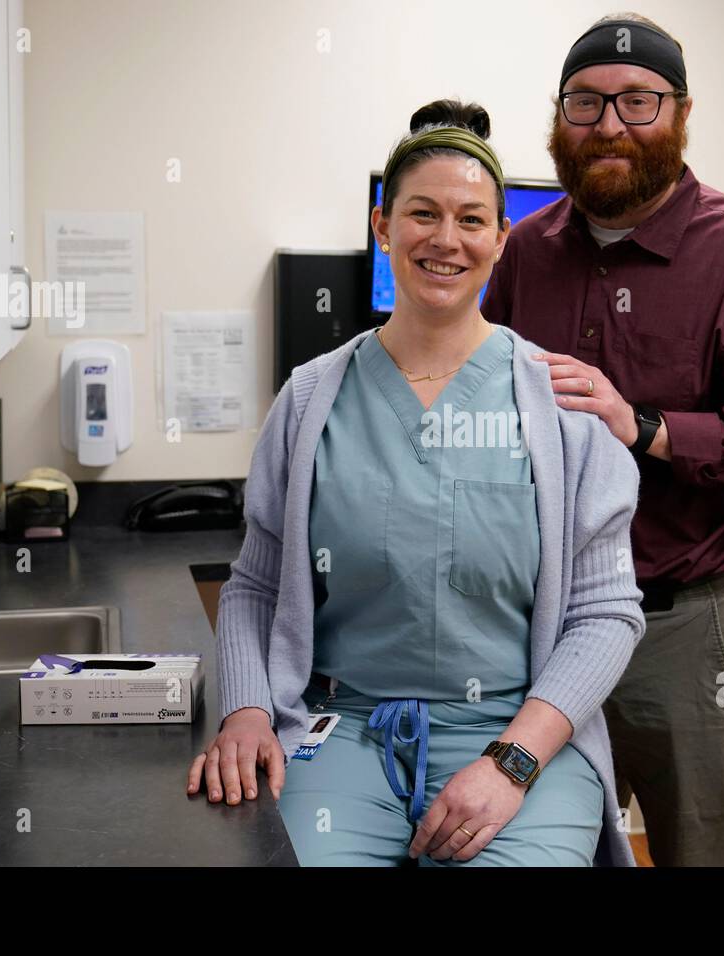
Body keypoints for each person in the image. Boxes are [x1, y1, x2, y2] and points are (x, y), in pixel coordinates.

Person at [186, 100, 646, 866]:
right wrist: (244, 710)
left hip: (514, 731)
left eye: (472, 219)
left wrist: (512, 762)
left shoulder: (562, 407)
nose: (445, 238)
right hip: (344, 728)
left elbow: (606, 613)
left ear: (502, 238)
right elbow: (254, 586)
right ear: (382, 227)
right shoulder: (310, 399)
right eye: (422, 213)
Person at [482, 14, 724, 866]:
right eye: (586, 102)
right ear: (558, 117)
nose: (609, 124)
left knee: (698, 853)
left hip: (679, 630)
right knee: (543, 849)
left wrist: (643, 428)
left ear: (682, 113)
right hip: (542, 626)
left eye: (637, 101)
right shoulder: (523, 254)